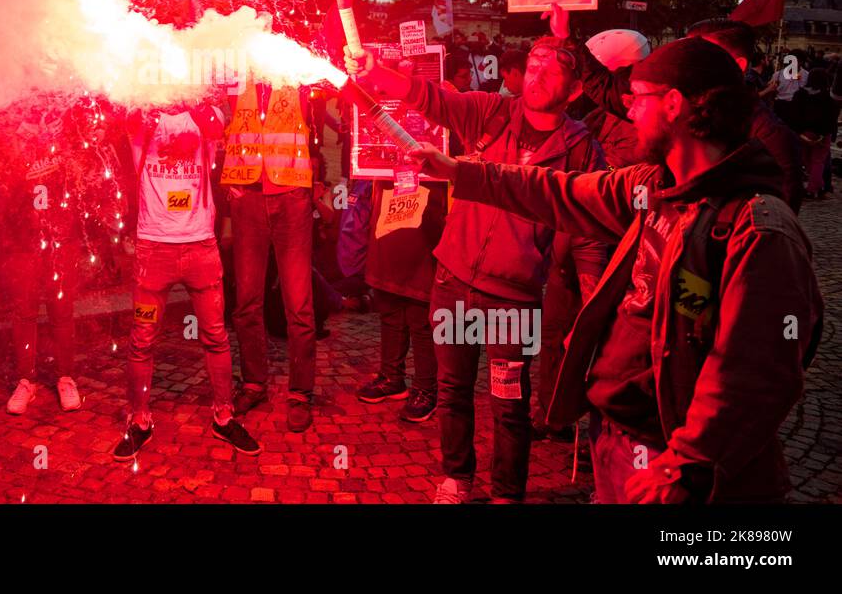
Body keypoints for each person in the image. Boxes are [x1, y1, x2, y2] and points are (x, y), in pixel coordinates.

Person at [402, 36, 822, 503]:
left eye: (637, 98)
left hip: (677, 472)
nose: (627, 109)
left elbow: (759, 377)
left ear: (673, 105)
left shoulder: (759, 229)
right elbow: (557, 193)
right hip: (618, 442)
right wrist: (460, 172)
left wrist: (684, 467)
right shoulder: (654, 185)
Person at [345, 36, 609, 503]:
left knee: (509, 405)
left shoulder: (580, 149)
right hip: (452, 280)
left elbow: (590, 228)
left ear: (573, 91)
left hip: (515, 294)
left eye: (552, 70)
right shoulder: (490, 112)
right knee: (452, 390)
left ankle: (507, 493)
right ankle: (457, 479)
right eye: (533, 65)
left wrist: (591, 305)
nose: (537, 74)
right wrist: (376, 71)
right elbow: (429, 97)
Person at [111, 102, 259, 461]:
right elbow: (129, 117)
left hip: (200, 247)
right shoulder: (142, 114)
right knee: (142, 338)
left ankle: (224, 416)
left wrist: (188, 92)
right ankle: (139, 420)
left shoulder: (206, 113)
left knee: (215, 335)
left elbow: (213, 124)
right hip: (153, 249)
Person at [552, 8, 804, 211]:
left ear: (737, 65)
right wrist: (567, 37)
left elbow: (775, 226)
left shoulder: (772, 139)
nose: (633, 112)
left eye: (702, 54)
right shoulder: (678, 110)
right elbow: (608, 89)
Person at [221, 78, 322, 432]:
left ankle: (300, 392)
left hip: (291, 194)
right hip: (247, 193)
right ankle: (253, 383)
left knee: (299, 304)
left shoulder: (297, 72)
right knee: (246, 301)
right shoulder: (235, 73)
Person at [0, 102, 86, 416]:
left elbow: (79, 171)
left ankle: (65, 377)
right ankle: (26, 380)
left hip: (61, 237)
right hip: (23, 239)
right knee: (24, 310)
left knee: (61, 309)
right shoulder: (11, 123)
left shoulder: (63, 116)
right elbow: (1, 185)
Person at [355, 178, 447, 423]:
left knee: (420, 313)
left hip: (424, 218)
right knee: (390, 307)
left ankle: (426, 388)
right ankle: (391, 377)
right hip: (389, 216)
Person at [786, 68, 839, 198]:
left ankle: (816, 185)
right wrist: (826, 133)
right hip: (821, 133)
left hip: (805, 132)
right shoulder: (828, 97)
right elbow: (832, 117)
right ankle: (815, 187)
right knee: (818, 161)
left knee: (807, 160)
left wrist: (798, 132)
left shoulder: (800, 94)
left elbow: (793, 114)